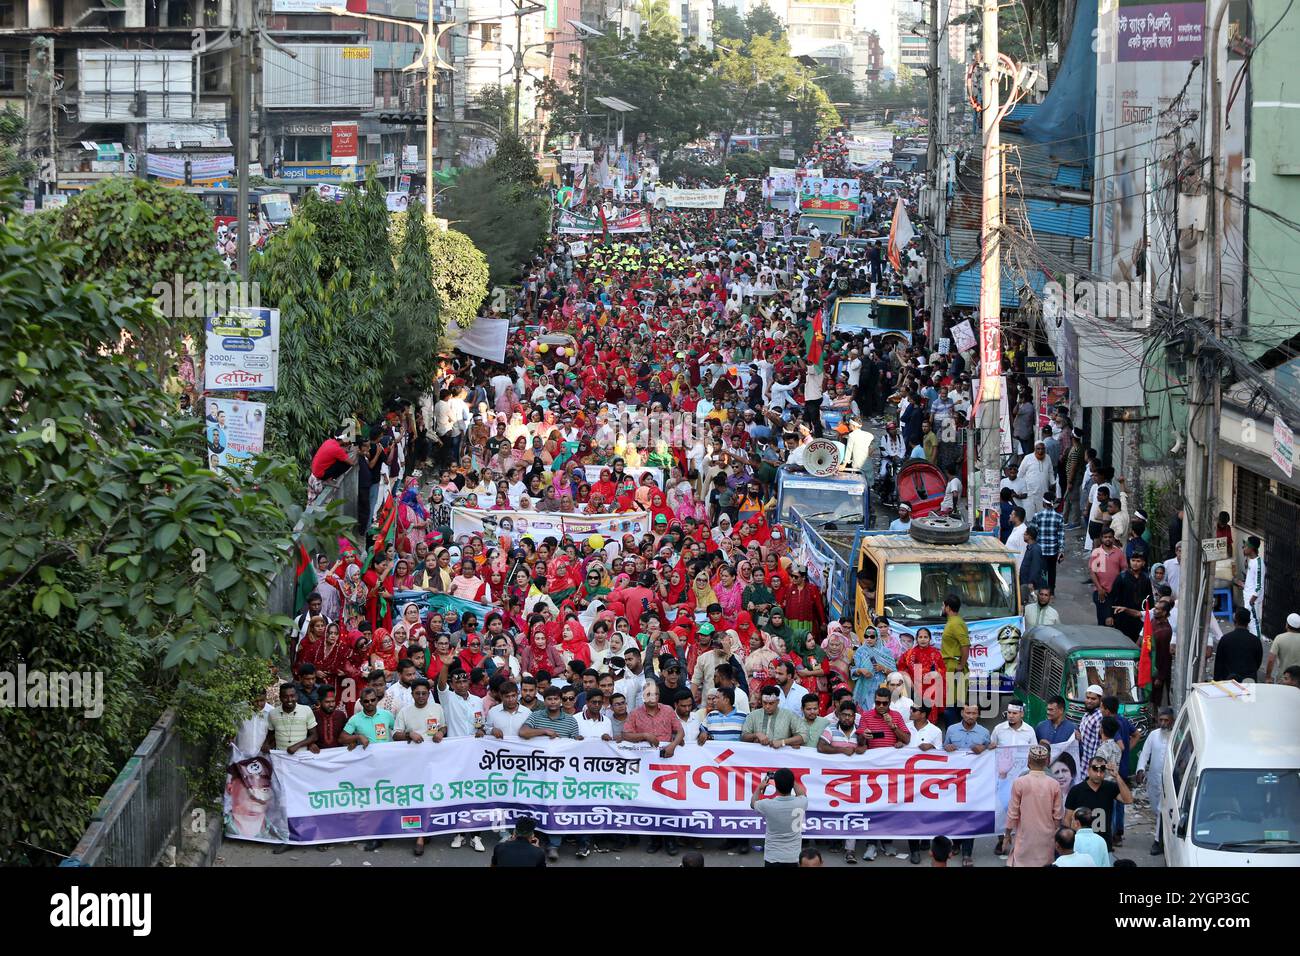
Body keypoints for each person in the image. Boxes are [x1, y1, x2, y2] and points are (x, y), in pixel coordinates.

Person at [1003, 745, 1063, 867]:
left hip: (1025, 837)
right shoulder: (1054, 784)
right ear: (1047, 761)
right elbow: (1058, 816)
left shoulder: (1020, 782)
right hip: (1046, 838)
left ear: (1028, 760)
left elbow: (1012, 813)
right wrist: (1054, 834)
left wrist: (1007, 834)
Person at [1065, 754, 1134, 850]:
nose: (1098, 774)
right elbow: (1067, 819)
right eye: (1095, 770)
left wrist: (1117, 776)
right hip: (1081, 845)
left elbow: (1128, 800)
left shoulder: (1110, 787)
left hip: (1104, 844)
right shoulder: (1076, 790)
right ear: (1088, 770)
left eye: (1101, 771)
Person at [749, 767, 808, 868]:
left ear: (775, 785)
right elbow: (802, 794)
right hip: (793, 857)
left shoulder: (767, 804)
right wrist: (791, 781)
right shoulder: (802, 802)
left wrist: (759, 788)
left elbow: (752, 804)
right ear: (792, 784)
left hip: (772, 857)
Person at [1135, 706, 1174, 855]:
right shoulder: (1153, 735)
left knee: (1161, 809)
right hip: (1154, 779)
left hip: (1170, 781)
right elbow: (1145, 754)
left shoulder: (1177, 734)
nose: (1163, 723)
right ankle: (1163, 836)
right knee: (1156, 810)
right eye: (1161, 720)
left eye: (1166, 720)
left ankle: (1158, 842)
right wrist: (1140, 769)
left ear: (1172, 721)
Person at [1214, 607, 1263, 681]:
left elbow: (1218, 664)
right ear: (1249, 621)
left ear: (1235, 620)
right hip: (1249, 682)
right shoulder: (1256, 641)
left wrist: (1216, 682)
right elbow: (1258, 662)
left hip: (1229, 682)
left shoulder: (1225, 639)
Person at [1234, 536, 1265, 637]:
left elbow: (1259, 585)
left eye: (1245, 546)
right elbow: (1252, 580)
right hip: (1248, 598)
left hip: (1252, 600)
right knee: (1249, 624)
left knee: (1254, 624)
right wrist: (1243, 585)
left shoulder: (1258, 563)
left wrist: (1252, 600)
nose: (1243, 548)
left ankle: (1257, 647)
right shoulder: (1250, 561)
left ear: (1251, 549)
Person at [1266, 612, 1300, 683]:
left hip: (1283, 679)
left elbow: (1271, 660)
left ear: (1287, 625)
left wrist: (1268, 677)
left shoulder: (1279, 638)